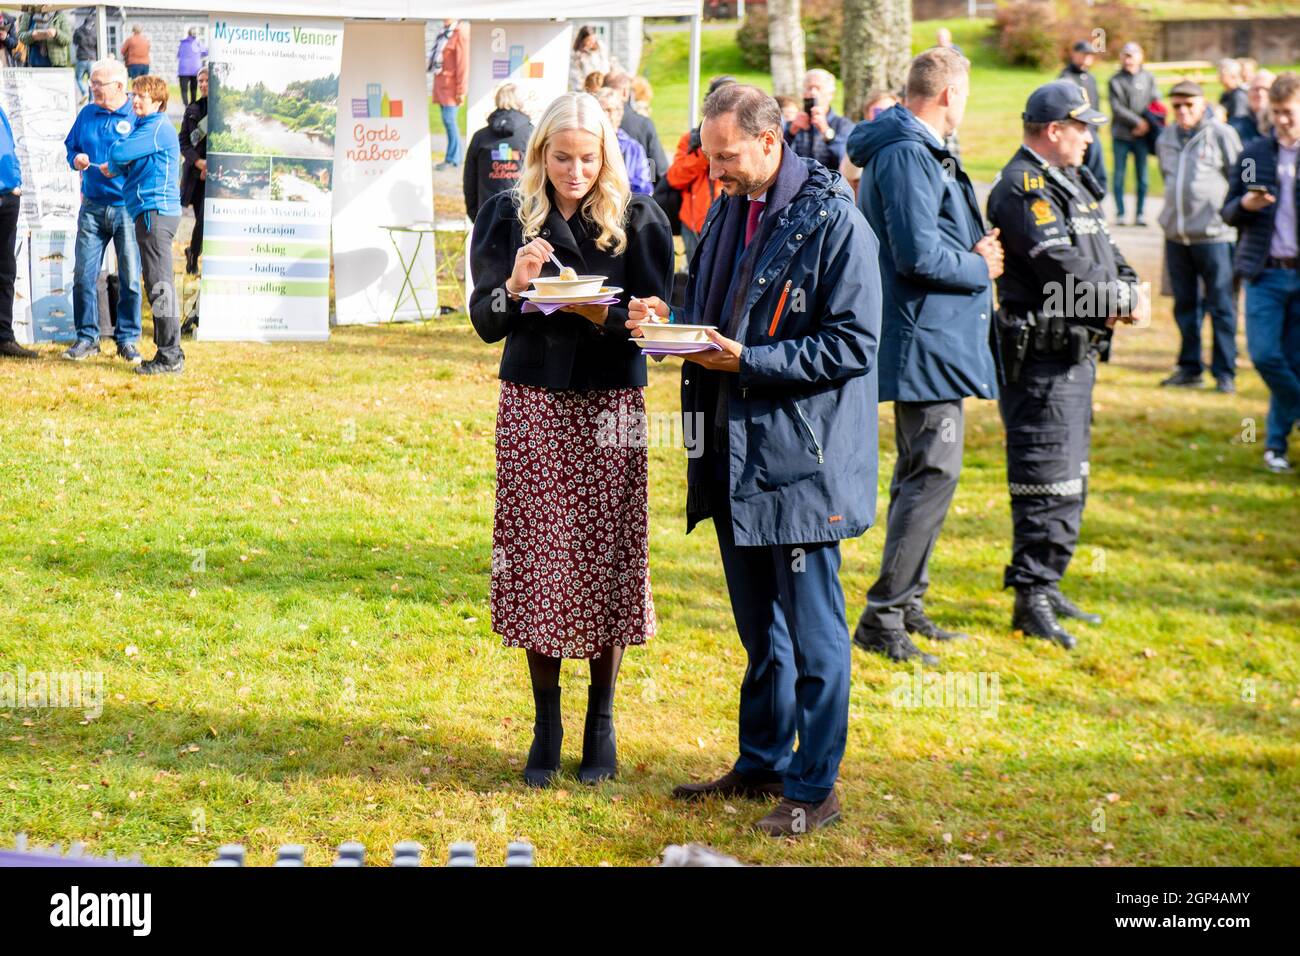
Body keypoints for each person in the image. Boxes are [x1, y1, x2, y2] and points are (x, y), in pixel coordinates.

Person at [629, 84, 882, 837]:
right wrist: (666, 318)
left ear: (772, 142)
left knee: (813, 637)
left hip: (800, 462)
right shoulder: (727, 207)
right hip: (732, 453)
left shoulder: (836, 221)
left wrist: (751, 361)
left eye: (729, 157)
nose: (717, 170)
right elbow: (715, 307)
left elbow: (855, 344)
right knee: (759, 630)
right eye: (710, 157)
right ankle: (762, 761)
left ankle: (815, 788)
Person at [468, 92, 673, 788]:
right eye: (561, 157)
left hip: (612, 399)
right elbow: (486, 319)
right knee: (540, 558)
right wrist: (518, 288)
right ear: (540, 154)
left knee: (607, 556)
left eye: (588, 158)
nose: (574, 170)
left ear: (608, 156)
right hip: (535, 401)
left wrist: (645, 314)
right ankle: (546, 721)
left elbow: (656, 314)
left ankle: (602, 718)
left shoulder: (640, 218)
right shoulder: (507, 214)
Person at [845, 46, 1000, 666]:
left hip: (933, 339)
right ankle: (885, 615)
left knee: (922, 473)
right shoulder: (910, 152)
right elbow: (916, 254)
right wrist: (980, 264)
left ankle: (906, 604)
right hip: (921, 342)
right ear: (948, 96)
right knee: (932, 473)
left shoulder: (915, 147)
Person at [987, 80, 1145, 649]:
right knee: (1043, 475)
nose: (1089, 138)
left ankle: (1048, 583)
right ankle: (1030, 597)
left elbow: (1107, 255)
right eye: (1083, 128)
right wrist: (1120, 303)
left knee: (1069, 476)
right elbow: (1061, 268)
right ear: (1054, 131)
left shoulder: (1070, 181)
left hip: (1074, 355)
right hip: (1041, 360)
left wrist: (1126, 292)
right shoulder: (1022, 186)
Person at [1222, 72, 1300, 475]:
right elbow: (1228, 210)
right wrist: (1247, 206)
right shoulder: (1254, 153)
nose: (1283, 120)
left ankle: (1275, 446)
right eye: (1277, 113)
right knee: (1266, 355)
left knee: (1294, 359)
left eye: (1289, 113)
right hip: (1264, 272)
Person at [1156, 80, 1243, 393]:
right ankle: (1189, 367)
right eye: (1176, 105)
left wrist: (1235, 212)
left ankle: (1225, 371)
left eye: (1188, 105)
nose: (1182, 111)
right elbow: (1169, 178)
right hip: (1177, 237)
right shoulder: (1166, 137)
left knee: (1221, 305)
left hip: (1215, 236)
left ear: (1202, 103)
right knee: (1185, 305)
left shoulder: (1221, 134)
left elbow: (1241, 173)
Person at [62, 58, 144, 364]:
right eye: (92, 82)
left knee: (131, 278)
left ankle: (127, 339)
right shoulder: (87, 113)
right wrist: (77, 159)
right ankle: (87, 338)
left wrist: (122, 166)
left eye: (98, 84)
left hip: (126, 208)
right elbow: (70, 147)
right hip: (93, 208)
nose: (92, 87)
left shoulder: (136, 116)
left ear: (119, 87)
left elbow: (148, 156)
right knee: (83, 275)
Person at [102, 74, 183, 375]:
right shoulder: (146, 127)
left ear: (158, 101)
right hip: (151, 213)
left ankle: (169, 356)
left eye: (142, 96)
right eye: (134, 94)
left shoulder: (156, 127)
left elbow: (119, 154)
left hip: (154, 214)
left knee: (160, 285)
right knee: (159, 283)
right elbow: (126, 163)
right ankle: (171, 350)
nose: (135, 100)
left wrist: (118, 158)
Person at [666, 74, 735, 266]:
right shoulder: (692, 139)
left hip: (729, 220)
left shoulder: (743, 140)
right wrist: (704, 153)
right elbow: (675, 178)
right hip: (693, 223)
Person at [462, 82, 532, 223]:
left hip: (487, 215)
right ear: (520, 102)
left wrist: (474, 214)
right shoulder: (532, 134)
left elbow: (469, 179)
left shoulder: (480, 137)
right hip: (525, 215)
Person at [1109, 42, 1159, 226]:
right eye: (1125, 55)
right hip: (1121, 135)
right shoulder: (1115, 80)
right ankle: (1120, 213)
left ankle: (1140, 214)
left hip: (1142, 137)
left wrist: (1148, 124)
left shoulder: (1148, 78)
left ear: (1140, 57)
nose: (1128, 59)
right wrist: (1137, 122)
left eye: (1132, 55)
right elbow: (1117, 108)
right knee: (1119, 176)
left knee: (1142, 177)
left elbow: (1156, 102)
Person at [0, 102, 31, 359]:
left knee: (6, 270)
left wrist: (15, 182)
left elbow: (8, 146)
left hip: (8, 198)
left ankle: (4, 336)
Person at [784, 68, 855, 170]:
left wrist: (826, 131)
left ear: (831, 94)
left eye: (818, 88)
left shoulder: (843, 125)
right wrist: (791, 132)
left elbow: (846, 160)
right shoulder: (792, 124)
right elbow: (776, 156)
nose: (813, 93)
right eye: (809, 88)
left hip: (831, 183)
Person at [1060, 39, 1107, 193]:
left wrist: (1094, 128)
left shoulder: (1090, 78)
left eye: (1090, 55)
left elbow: (1096, 103)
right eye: (1084, 54)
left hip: (1091, 130)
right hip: (1073, 131)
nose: (1087, 58)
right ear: (1074, 54)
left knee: (1096, 171)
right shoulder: (1066, 77)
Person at [603, 72, 667, 183]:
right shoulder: (643, 124)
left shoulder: (589, 123)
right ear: (625, 92)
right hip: (636, 191)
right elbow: (658, 168)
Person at [839, 89, 898, 197]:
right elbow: (848, 177)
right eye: (879, 112)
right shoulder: (859, 142)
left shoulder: (905, 144)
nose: (885, 117)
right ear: (867, 115)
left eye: (890, 111)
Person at [595, 87, 651, 195]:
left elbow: (644, 188)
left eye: (611, 110)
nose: (607, 115)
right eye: (603, 110)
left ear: (620, 113)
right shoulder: (588, 143)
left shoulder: (634, 148)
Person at [179, 67, 208, 280]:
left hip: (217, 173)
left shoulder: (225, 110)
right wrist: (198, 162)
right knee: (202, 219)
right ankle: (194, 254)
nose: (204, 84)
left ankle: (193, 253)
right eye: (201, 81)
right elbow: (184, 141)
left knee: (206, 219)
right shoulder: (192, 109)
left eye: (207, 81)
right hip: (196, 176)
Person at [430, 18, 468, 171]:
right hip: (441, 85)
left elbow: (462, 63)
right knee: (448, 122)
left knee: (449, 120)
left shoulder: (460, 32)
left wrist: (461, 90)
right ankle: (455, 157)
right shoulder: (443, 32)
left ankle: (452, 158)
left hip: (452, 88)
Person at [1231, 69, 1275, 146]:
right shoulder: (1235, 125)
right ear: (1248, 93)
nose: (1260, 94)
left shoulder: (1282, 124)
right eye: (1255, 89)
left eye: (1266, 89)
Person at [569, 26, 617, 93]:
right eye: (588, 41)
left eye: (593, 40)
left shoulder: (602, 48)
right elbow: (576, 77)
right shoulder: (577, 56)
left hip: (605, 86)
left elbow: (613, 63)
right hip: (589, 90)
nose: (591, 43)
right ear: (582, 40)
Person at [177, 28, 206, 107]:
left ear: (188, 34)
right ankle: (193, 104)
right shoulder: (198, 43)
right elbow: (205, 52)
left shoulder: (182, 43)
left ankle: (186, 105)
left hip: (183, 69)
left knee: (184, 89)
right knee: (194, 88)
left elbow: (178, 55)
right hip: (195, 69)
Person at [1218, 58, 1251, 122]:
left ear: (1233, 75)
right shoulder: (1226, 93)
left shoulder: (1239, 95)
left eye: (1221, 73)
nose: (1218, 76)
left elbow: (1238, 122)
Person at [72, 14, 96, 100]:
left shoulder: (78, 31)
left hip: (82, 58)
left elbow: (74, 43)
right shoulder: (95, 32)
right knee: (92, 82)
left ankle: (84, 91)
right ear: (92, 23)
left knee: (78, 78)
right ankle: (91, 100)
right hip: (92, 59)